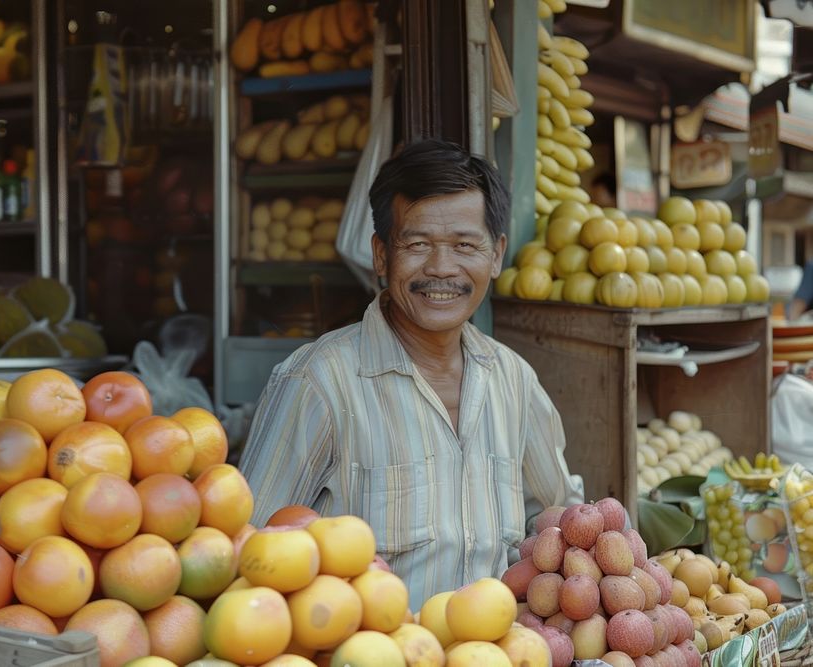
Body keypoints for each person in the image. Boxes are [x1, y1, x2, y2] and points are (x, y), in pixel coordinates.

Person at [238, 138, 584, 609]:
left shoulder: (513, 381)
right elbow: (250, 554)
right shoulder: (318, 383)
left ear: (497, 254)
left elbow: (559, 521)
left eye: (465, 245)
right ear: (382, 255)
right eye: (417, 245)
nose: (442, 269)